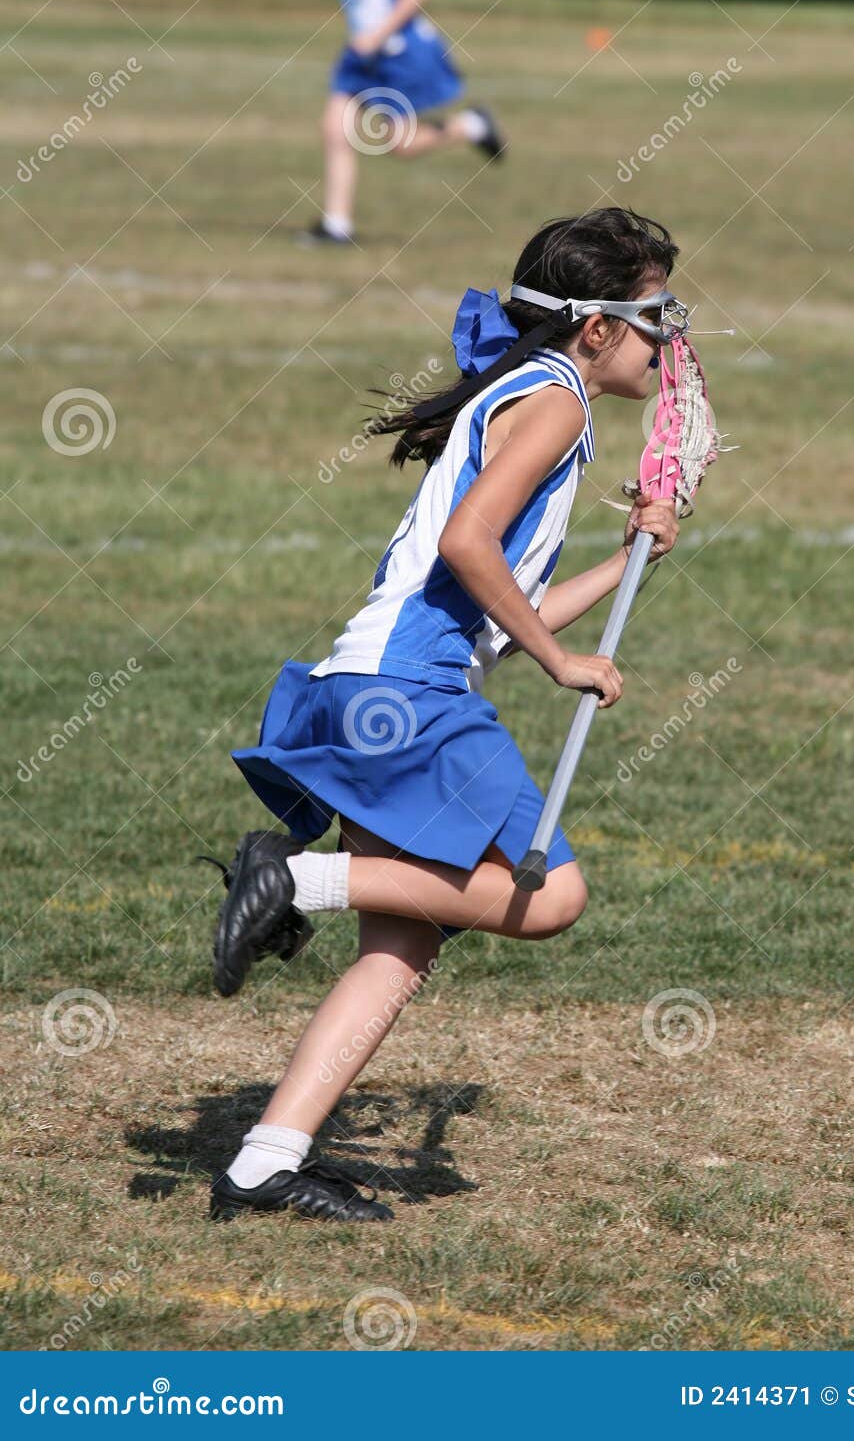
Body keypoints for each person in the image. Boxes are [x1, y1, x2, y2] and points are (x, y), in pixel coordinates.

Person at [207, 207, 687, 1224]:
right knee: (551, 897)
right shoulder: (555, 403)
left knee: (405, 942)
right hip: (408, 692)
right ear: (595, 326)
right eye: (655, 316)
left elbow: (499, 608)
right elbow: (470, 544)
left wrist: (628, 560)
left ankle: (264, 1161)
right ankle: (293, 879)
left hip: (374, 685)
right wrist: (562, 663)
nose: (667, 339)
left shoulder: (538, 391)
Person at [300, 0, 503, 245]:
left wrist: (377, 35)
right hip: (362, 50)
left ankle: (470, 125)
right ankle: (337, 225)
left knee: (401, 145)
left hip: (395, 50)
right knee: (335, 126)